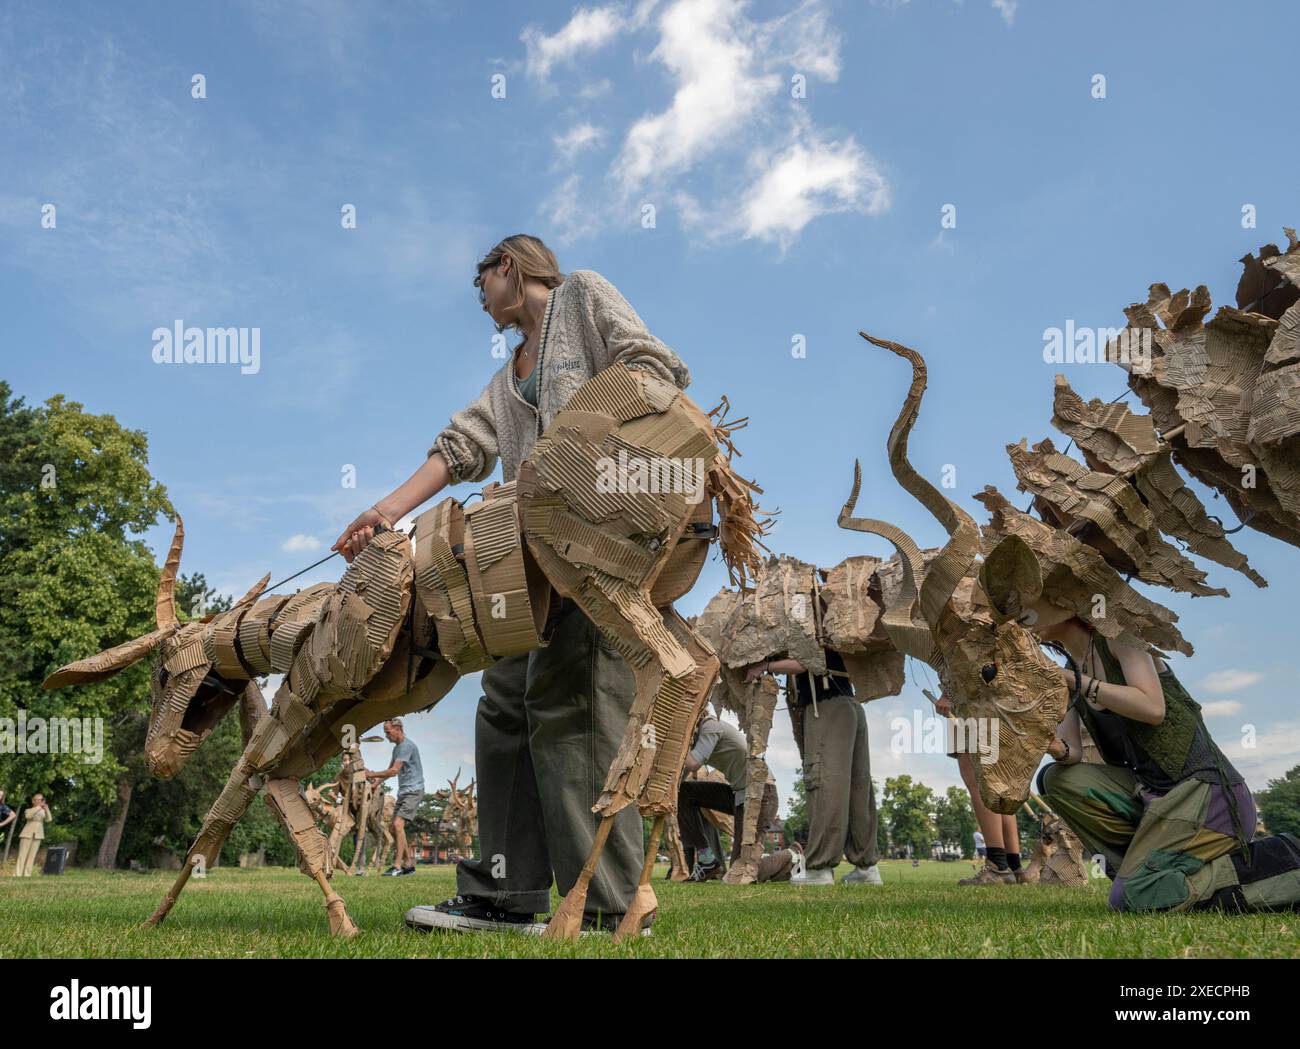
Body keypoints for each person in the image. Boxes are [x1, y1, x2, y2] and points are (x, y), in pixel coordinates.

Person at [339, 236, 691, 935]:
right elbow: (460, 445)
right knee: (504, 701)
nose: (478, 300)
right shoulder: (509, 376)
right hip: (525, 561)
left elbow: (655, 369)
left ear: (509, 265)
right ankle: (505, 891)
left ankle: (608, 905)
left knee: (574, 697)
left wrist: (563, 457)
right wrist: (384, 511)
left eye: (481, 282)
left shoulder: (582, 296)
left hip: (600, 541)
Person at [1028, 600, 1300, 912]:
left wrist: (1075, 681)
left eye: (1029, 599)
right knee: (1055, 778)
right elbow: (1071, 752)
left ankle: (1283, 863)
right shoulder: (1066, 671)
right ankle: (1145, 877)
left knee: (1130, 899)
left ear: (1064, 599)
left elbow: (1152, 708)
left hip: (1206, 794)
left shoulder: (1119, 634)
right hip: (1153, 797)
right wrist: (1050, 743)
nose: (1021, 612)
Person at [747, 648, 883, 886]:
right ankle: (866, 867)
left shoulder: (810, 618)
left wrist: (764, 667)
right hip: (850, 705)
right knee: (858, 789)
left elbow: (803, 661)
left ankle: (820, 868)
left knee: (824, 784)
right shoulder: (834, 623)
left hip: (826, 706)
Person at [678, 714, 795, 883]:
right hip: (739, 794)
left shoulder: (710, 725)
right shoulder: (697, 737)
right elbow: (681, 777)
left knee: (739, 872)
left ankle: (792, 855)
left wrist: (673, 751)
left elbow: (693, 763)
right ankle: (706, 860)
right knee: (684, 791)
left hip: (761, 795)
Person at [935, 695, 1024, 885]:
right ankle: (1013, 865)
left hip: (973, 699)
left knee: (979, 780)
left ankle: (997, 866)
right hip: (999, 700)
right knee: (1000, 784)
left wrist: (949, 694)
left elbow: (966, 665)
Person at [367, 719, 423, 877]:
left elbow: (393, 771)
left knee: (398, 824)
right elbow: (389, 770)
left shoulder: (406, 746)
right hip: (404, 792)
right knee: (394, 827)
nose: (386, 736)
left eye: (388, 732)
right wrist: (374, 784)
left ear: (398, 729)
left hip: (414, 791)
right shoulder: (397, 748)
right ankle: (409, 865)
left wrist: (371, 774)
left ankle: (398, 866)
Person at [15, 793, 50, 877]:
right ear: (33, 801)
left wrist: (47, 809)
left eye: (41, 799)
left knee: (32, 856)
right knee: (22, 855)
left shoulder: (42, 811)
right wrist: (39, 807)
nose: (40, 801)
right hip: (27, 834)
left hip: (38, 835)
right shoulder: (28, 810)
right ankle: (17, 874)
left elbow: (49, 819)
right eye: (38, 799)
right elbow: (28, 816)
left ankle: (27, 874)